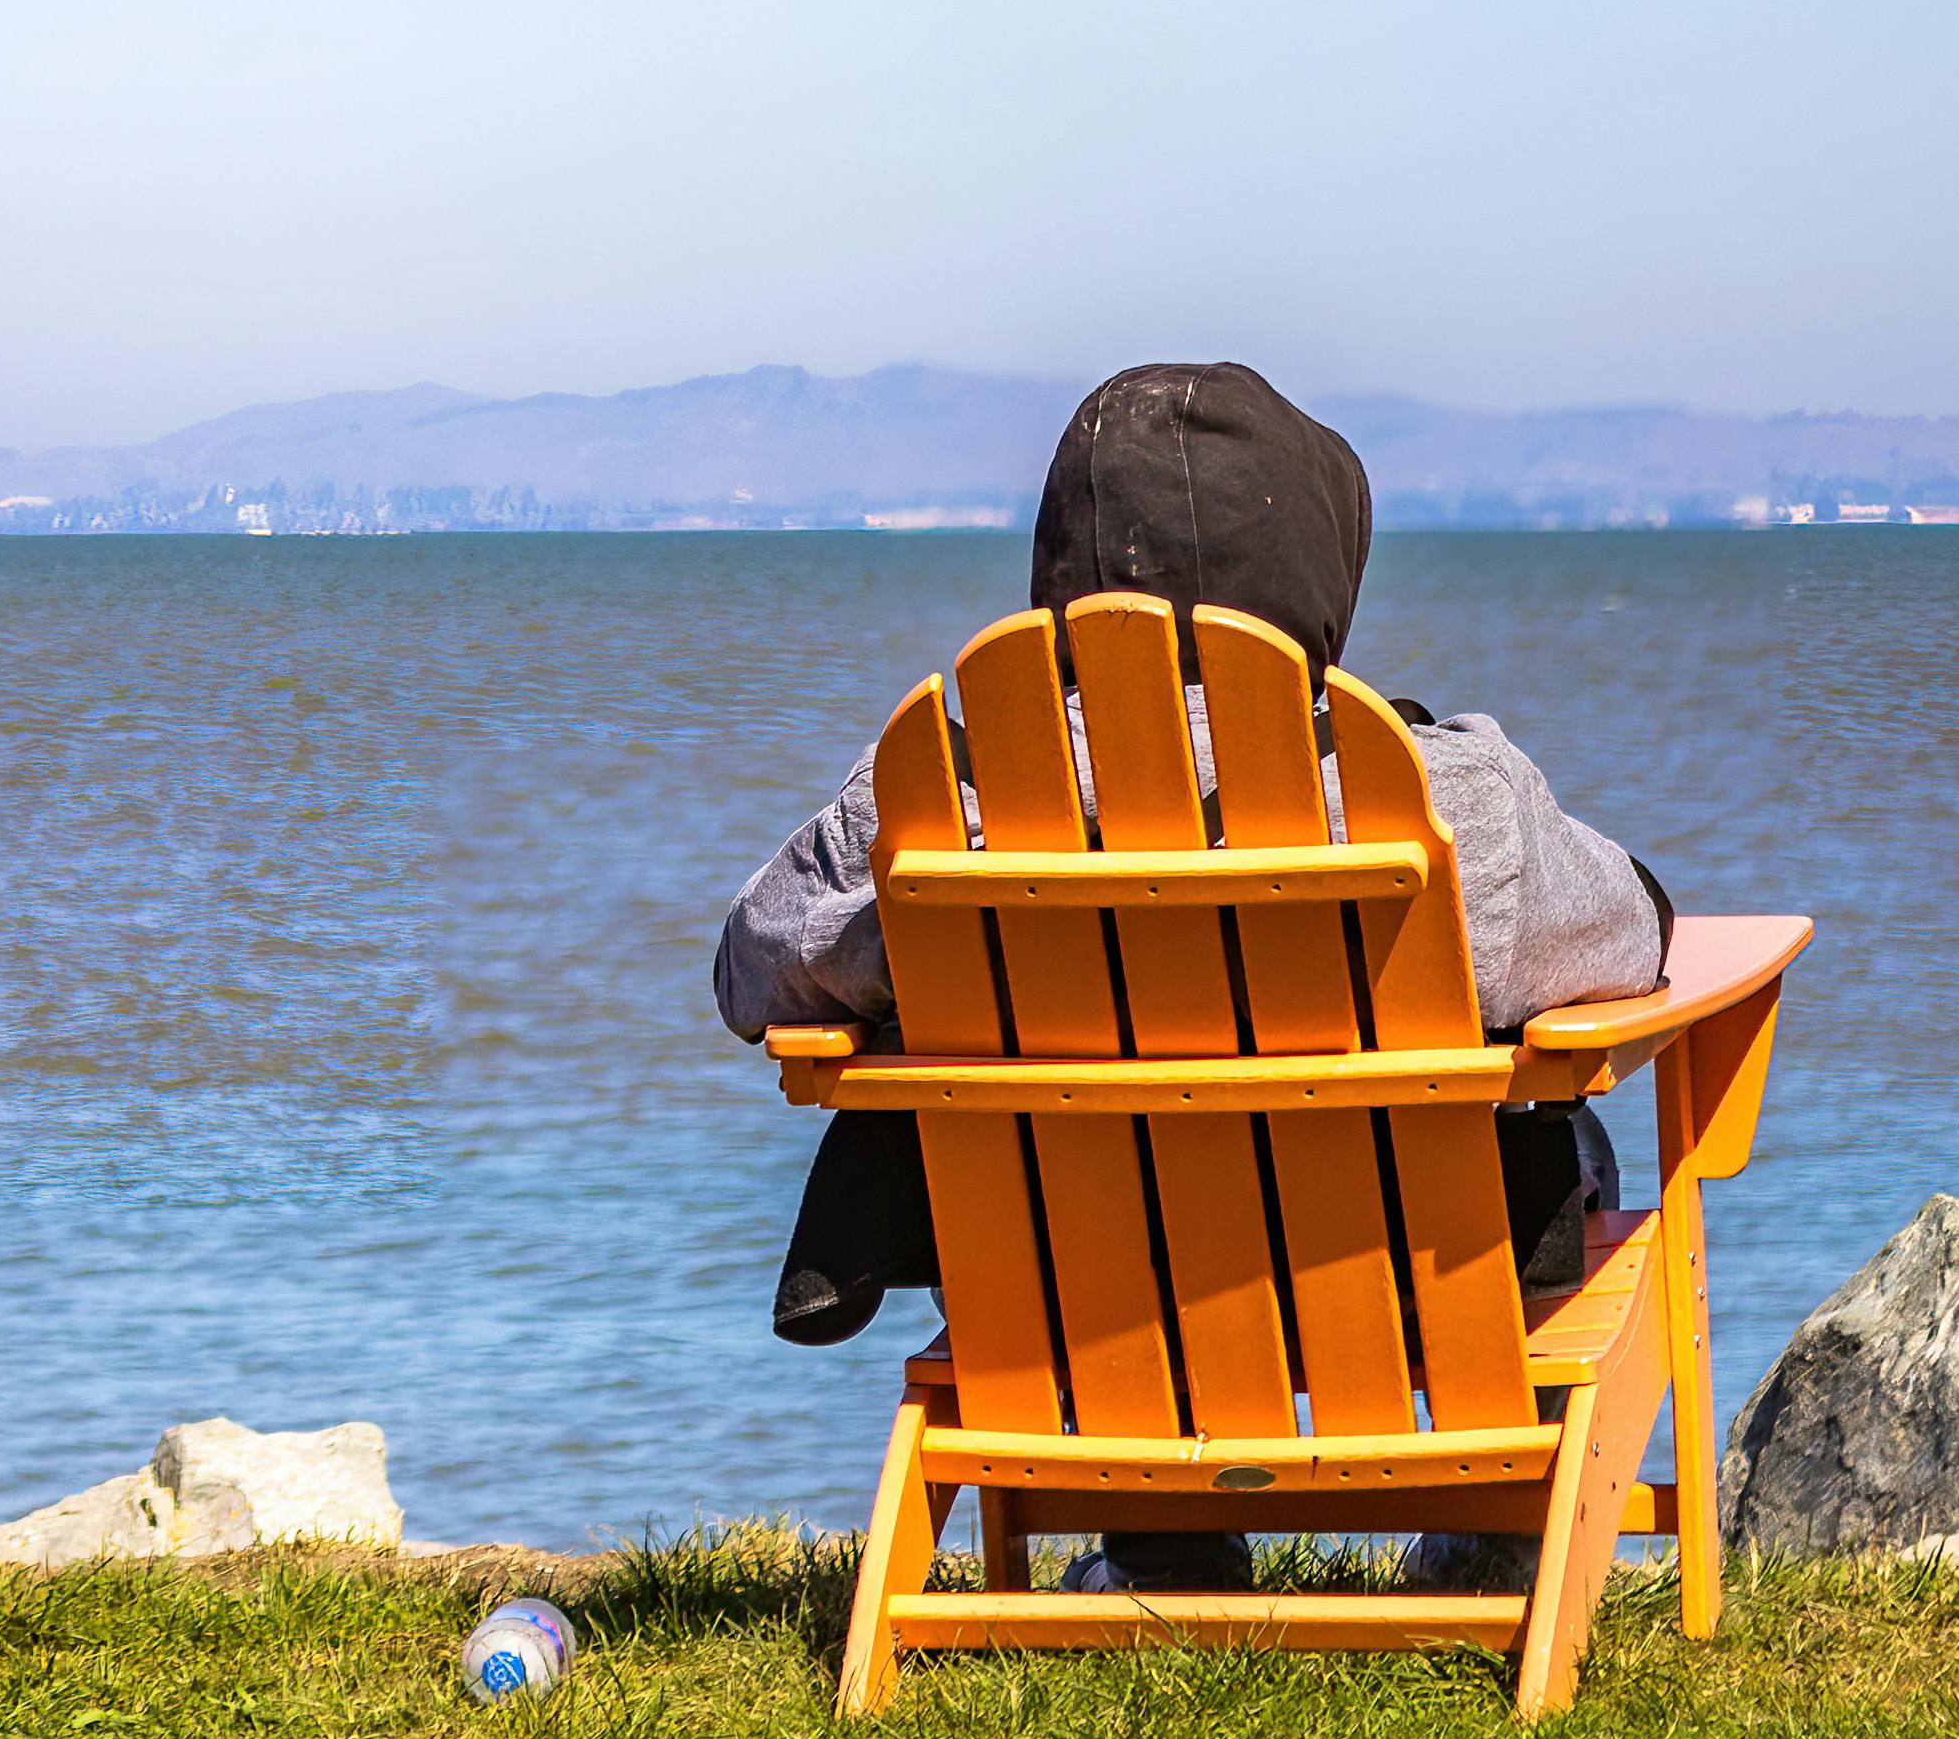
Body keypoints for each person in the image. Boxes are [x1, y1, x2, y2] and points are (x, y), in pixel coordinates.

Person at [705, 361, 1677, 1591]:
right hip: (1387, 1279)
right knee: (1566, 1149)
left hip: (1070, 1295)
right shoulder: (1437, 799)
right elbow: (1627, 943)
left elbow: (753, 971)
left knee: (1091, 1188)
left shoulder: (932, 803)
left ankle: (1165, 1541)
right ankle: (1490, 1531)